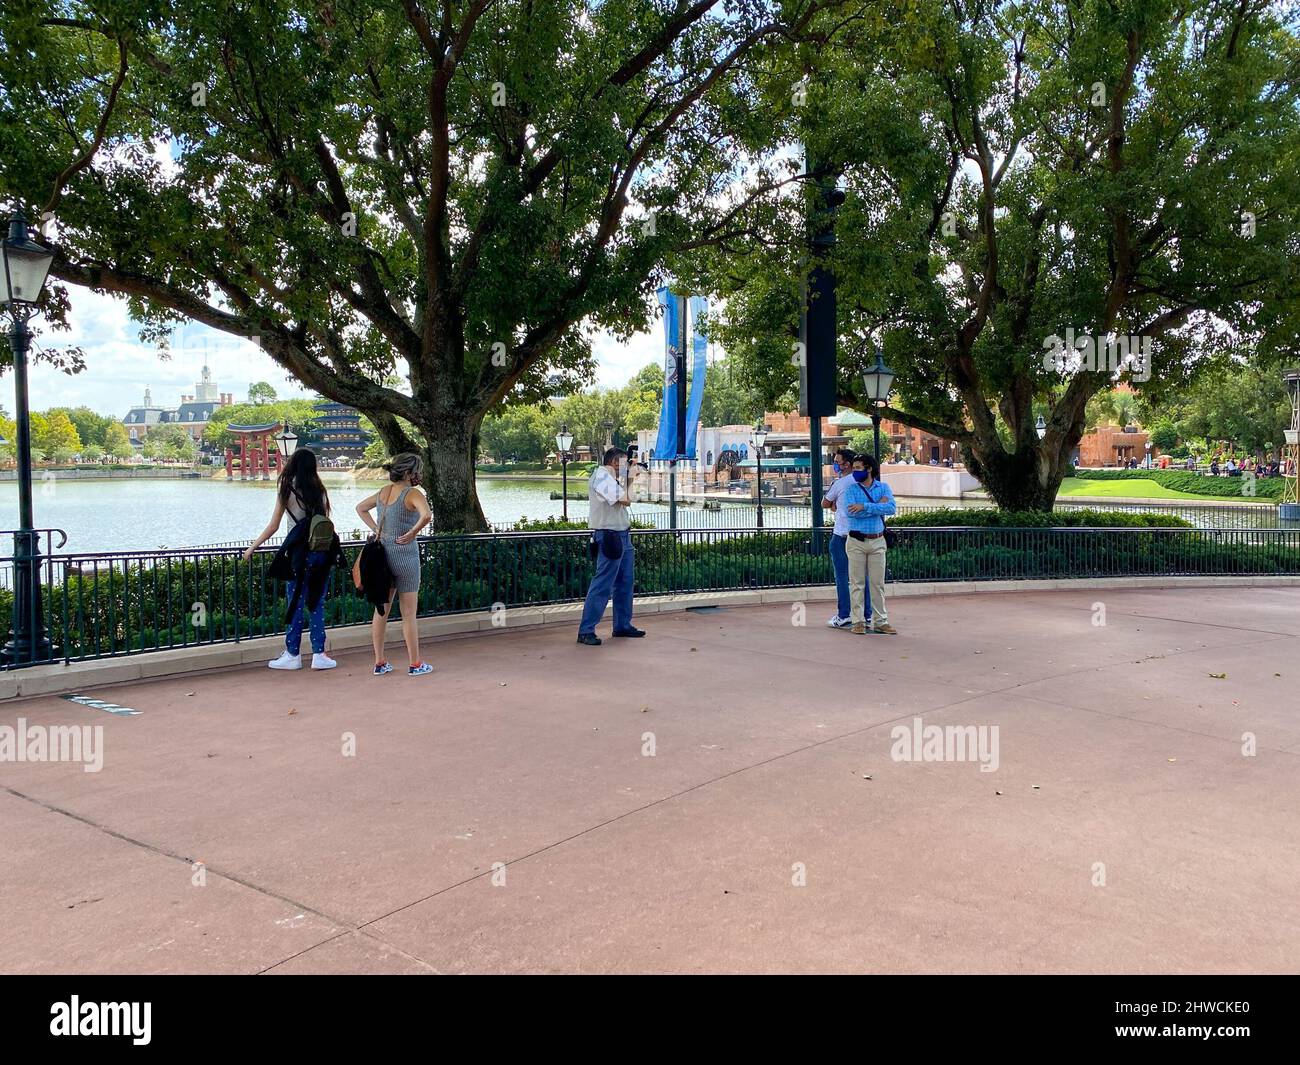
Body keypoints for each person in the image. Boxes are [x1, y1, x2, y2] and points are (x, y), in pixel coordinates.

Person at [245, 448, 345, 671]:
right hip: (321, 553)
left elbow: (273, 526)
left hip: (298, 555)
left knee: (296, 603)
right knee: (316, 603)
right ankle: (319, 654)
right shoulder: (320, 490)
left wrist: (253, 547)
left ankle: (293, 654)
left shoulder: (287, 489)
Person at [356, 453, 434, 676]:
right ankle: (415, 664)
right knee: (409, 613)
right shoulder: (412, 493)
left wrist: (376, 530)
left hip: (382, 556)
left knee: (381, 610)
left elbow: (360, 508)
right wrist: (412, 533)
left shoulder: (383, 492)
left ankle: (380, 662)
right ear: (410, 473)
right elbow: (426, 515)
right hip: (405, 556)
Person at [577, 447, 643, 645]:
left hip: (621, 534)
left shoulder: (610, 479)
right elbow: (625, 500)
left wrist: (627, 478)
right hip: (609, 535)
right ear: (615, 462)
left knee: (624, 583)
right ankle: (586, 630)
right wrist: (631, 479)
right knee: (603, 584)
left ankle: (622, 625)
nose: (626, 467)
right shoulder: (601, 477)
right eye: (625, 463)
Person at [843, 453, 898, 635]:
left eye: (858, 468)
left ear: (869, 469)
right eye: (854, 468)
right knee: (857, 583)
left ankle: (881, 621)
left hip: (877, 540)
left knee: (877, 583)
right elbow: (851, 512)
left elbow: (891, 508)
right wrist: (876, 506)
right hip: (856, 541)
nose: (854, 471)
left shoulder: (883, 487)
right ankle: (857, 621)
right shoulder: (851, 490)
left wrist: (865, 506)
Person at [820, 447, 860, 629]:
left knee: (842, 576)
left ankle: (844, 614)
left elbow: (824, 503)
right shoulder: (865, 482)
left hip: (841, 535)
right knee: (862, 577)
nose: (835, 464)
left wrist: (835, 503)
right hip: (861, 535)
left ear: (847, 465)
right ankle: (865, 615)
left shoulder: (840, 484)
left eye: (837, 462)